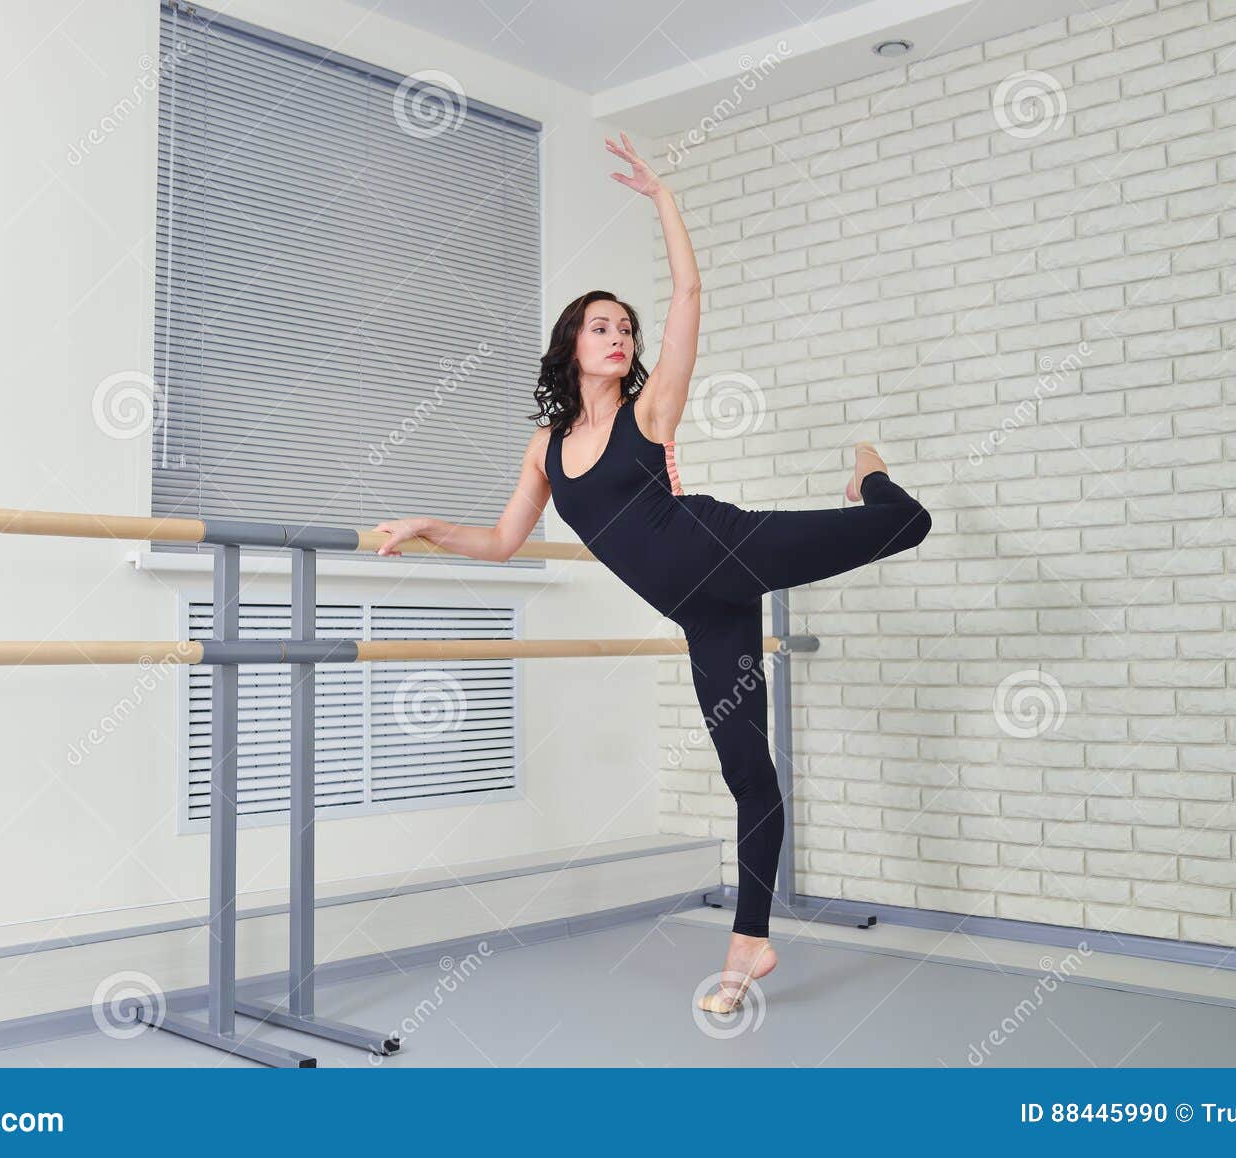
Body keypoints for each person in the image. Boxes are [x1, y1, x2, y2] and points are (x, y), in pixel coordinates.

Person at [372, 132, 932, 1015]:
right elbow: (503, 543)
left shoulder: (652, 411)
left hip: (730, 550)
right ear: (571, 345)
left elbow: (690, 295)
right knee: (747, 770)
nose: (620, 335)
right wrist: (429, 526)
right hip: (700, 612)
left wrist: (664, 199)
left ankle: (865, 472)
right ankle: (752, 945)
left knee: (904, 522)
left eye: (625, 328)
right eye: (603, 326)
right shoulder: (547, 451)